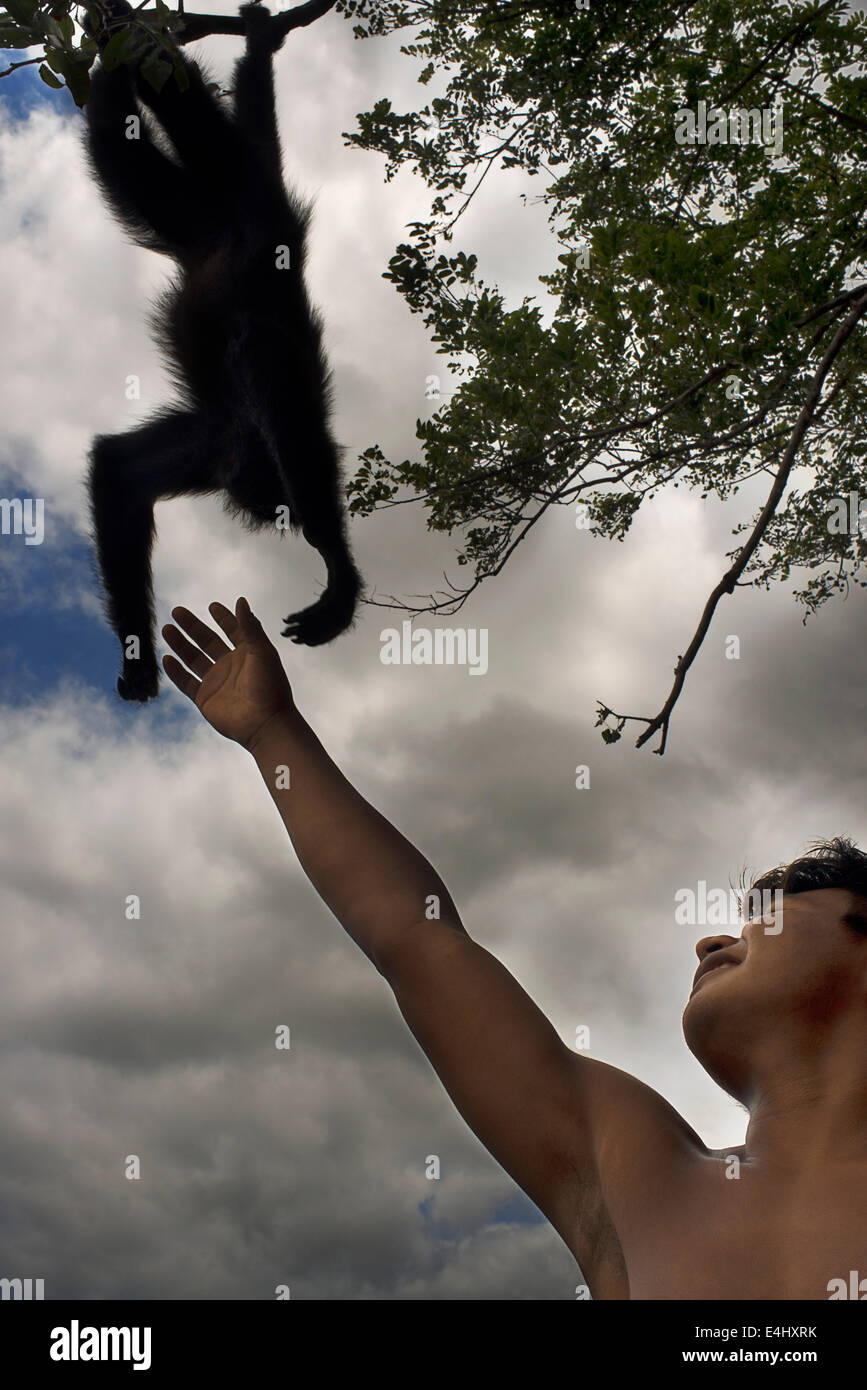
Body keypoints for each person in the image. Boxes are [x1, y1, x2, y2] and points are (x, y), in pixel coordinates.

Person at [162, 597, 867, 1300]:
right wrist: (273, 735)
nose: (713, 938)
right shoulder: (638, 1170)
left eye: (772, 916)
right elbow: (415, 938)